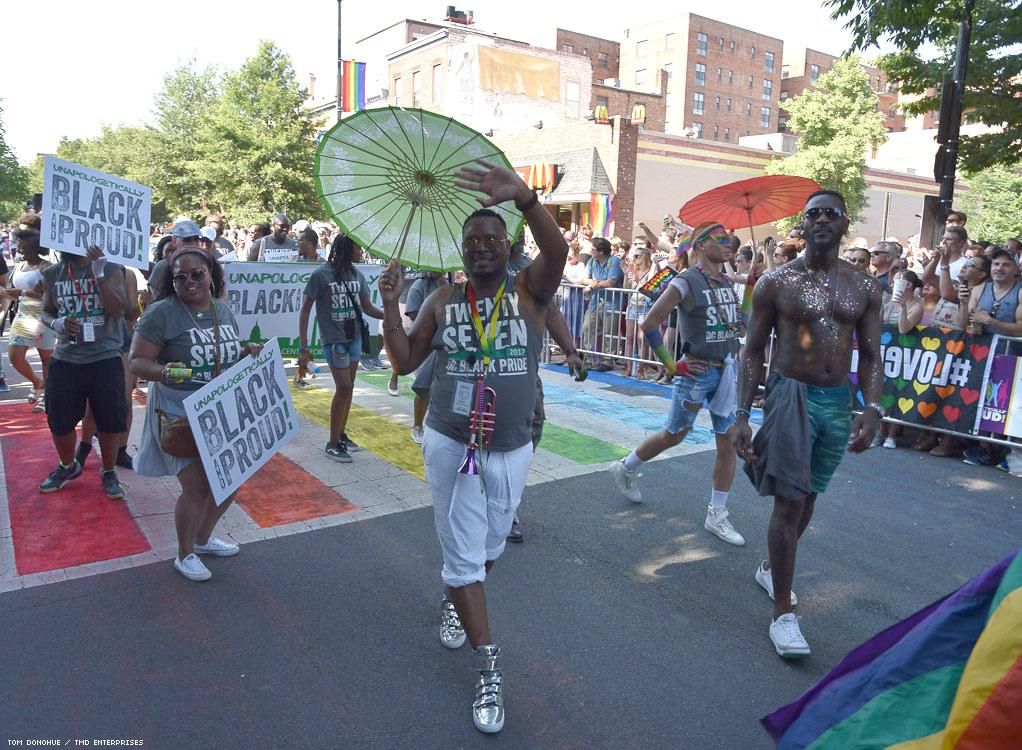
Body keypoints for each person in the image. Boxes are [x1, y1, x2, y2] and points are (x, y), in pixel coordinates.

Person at [378, 160, 567, 734]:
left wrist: (527, 200)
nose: (481, 247)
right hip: (450, 443)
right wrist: (389, 305)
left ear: (508, 247)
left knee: (489, 546)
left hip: (511, 447)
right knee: (463, 556)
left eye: (491, 239)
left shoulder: (530, 292)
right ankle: (488, 663)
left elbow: (555, 254)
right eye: (471, 241)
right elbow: (406, 361)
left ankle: (460, 588)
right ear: (460, 251)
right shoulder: (441, 300)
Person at [733, 190, 883, 659]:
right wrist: (742, 413)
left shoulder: (865, 286)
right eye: (813, 213)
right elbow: (753, 350)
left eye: (830, 213)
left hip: (836, 402)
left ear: (843, 224)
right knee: (789, 501)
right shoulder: (777, 282)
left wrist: (872, 407)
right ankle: (782, 614)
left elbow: (873, 355)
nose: (821, 219)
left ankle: (770, 568)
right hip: (789, 396)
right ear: (803, 224)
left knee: (810, 496)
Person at [608, 222, 746, 546]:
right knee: (674, 435)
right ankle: (625, 467)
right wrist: (672, 365)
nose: (728, 244)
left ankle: (717, 513)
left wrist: (751, 288)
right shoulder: (686, 282)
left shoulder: (726, 280)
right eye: (720, 238)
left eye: (729, 239)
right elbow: (650, 323)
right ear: (699, 246)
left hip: (726, 372)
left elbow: (741, 322)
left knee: (727, 443)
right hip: (697, 374)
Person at [131, 248, 260, 581]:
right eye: (180, 277)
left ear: (211, 274)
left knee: (230, 480)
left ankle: (202, 540)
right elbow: (137, 361)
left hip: (221, 412)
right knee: (198, 487)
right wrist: (164, 371)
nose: (189, 282)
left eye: (197, 274)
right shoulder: (160, 314)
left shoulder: (222, 310)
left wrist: (247, 352)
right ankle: (184, 553)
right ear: (171, 281)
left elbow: (227, 353)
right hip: (180, 414)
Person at [38, 246, 130, 499]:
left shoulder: (111, 269)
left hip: (104, 355)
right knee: (58, 418)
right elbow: (46, 310)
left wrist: (99, 274)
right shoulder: (53, 273)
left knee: (110, 419)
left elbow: (119, 309)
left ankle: (109, 470)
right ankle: (68, 466)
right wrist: (55, 323)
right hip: (66, 356)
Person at [298, 235, 383, 462]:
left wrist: (391, 315)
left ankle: (341, 435)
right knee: (343, 386)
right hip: (334, 340)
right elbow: (305, 310)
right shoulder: (320, 275)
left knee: (349, 387)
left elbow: (368, 307)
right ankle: (332, 443)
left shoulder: (358, 275)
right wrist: (303, 346)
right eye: (358, 247)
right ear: (347, 249)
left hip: (354, 337)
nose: (361, 252)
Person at [2, 229, 54, 411]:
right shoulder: (19, 266)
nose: (19, 249)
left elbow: (50, 295)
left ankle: (48, 395)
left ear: (35, 247)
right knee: (15, 357)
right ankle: (37, 382)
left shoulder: (46, 267)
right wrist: (7, 294)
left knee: (46, 359)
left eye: (23, 247)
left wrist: (22, 293)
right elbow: (13, 290)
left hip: (43, 315)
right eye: (19, 245)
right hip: (23, 316)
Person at [403, 271, 447, 443]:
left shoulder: (448, 285)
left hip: (445, 342)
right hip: (426, 344)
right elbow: (413, 314)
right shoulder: (419, 286)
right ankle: (417, 425)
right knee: (424, 386)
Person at [580, 237, 624, 371]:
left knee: (609, 332)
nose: (590, 251)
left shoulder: (614, 261)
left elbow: (611, 282)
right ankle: (590, 358)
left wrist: (594, 284)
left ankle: (607, 360)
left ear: (601, 251)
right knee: (587, 327)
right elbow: (584, 279)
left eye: (593, 249)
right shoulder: (592, 261)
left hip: (611, 303)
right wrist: (594, 284)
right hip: (595, 301)